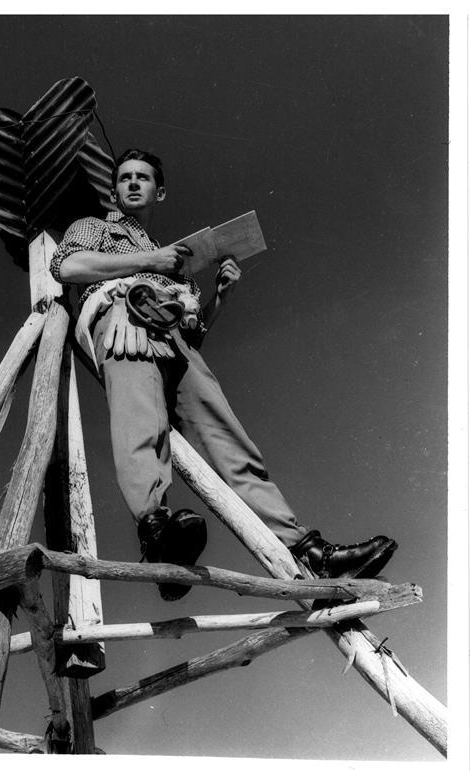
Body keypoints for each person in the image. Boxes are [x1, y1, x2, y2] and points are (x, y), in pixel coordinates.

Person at [50, 148, 397, 600]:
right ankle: (158, 538)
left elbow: (193, 335)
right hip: (125, 319)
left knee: (230, 441)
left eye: (143, 178)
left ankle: (307, 548)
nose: (133, 183)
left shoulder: (181, 263)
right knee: (140, 426)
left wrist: (219, 297)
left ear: (160, 190)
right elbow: (67, 266)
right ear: (114, 190)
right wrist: (149, 263)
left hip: (177, 343)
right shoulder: (94, 227)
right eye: (124, 178)